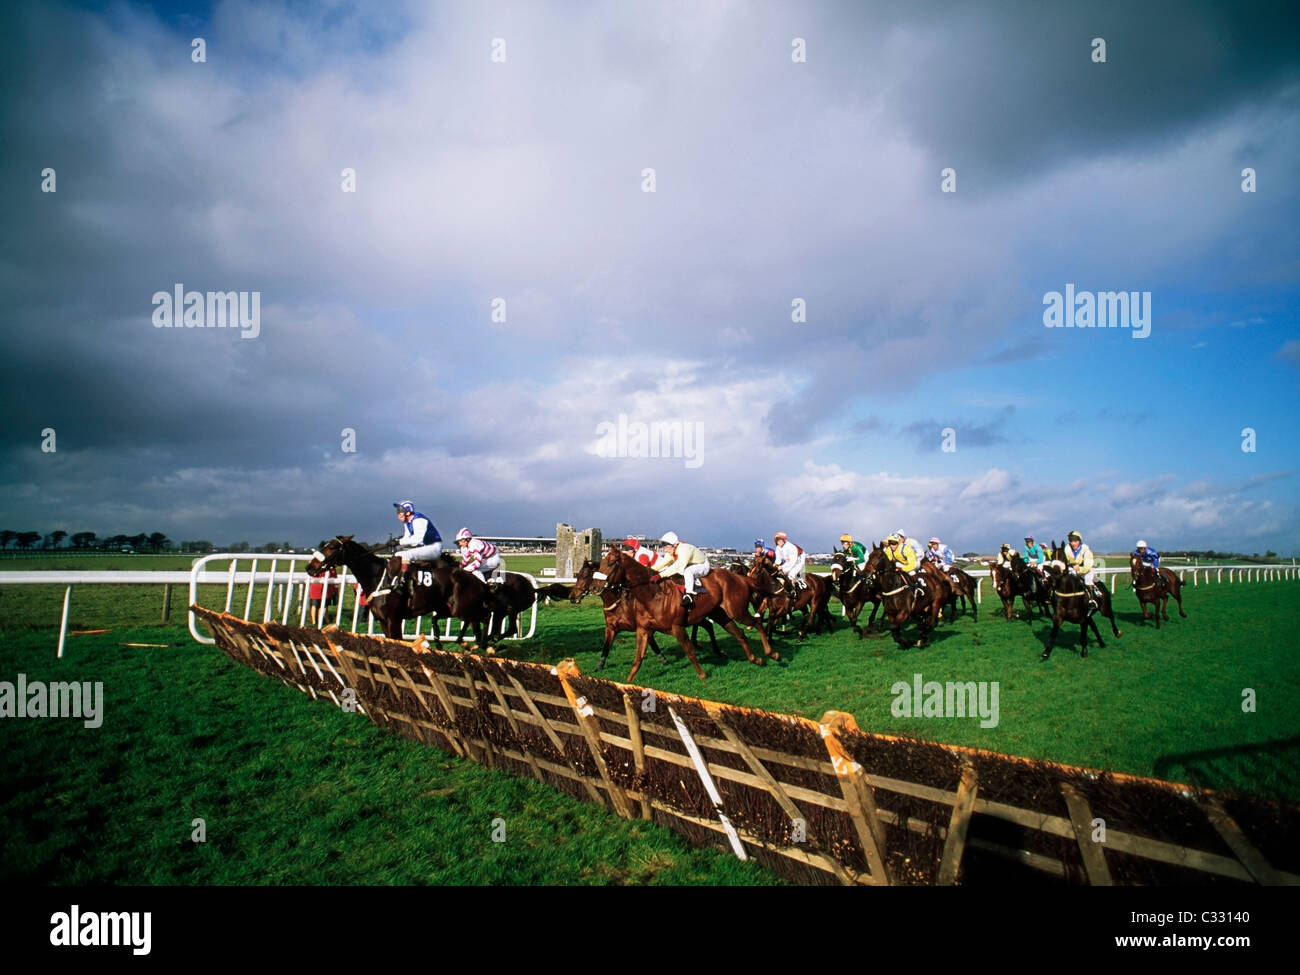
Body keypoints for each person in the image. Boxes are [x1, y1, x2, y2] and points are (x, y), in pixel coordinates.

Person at [392, 500, 442, 600]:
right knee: (398, 554)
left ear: (408, 512)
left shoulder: (419, 520)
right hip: (424, 547)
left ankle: (403, 583)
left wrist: (399, 542)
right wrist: (396, 541)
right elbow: (409, 540)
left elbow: (418, 539)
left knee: (405, 555)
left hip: (433, 547)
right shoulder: (407, 523)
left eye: (400, 512)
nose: (398, 516)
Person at [655, 531, 711, 608]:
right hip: (690, 565)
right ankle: (695, 583)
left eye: (667, 547)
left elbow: (678, 566)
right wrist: (651, 570)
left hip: (702, 565)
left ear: (675, 545)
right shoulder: (671, 551)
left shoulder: (684, 549)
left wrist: (660, 575)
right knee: (677, 571)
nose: (665, 550)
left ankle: (689, 595)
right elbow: (663, 563)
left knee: (687, 571)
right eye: (664, 547)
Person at [884, 532, 925, 598]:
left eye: (894, 543)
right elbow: (887, 560)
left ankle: (918, 587)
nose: (891, 545)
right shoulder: (889, 549)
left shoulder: (906, 549)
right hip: (902, 563)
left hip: (914, 563)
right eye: (890, 543)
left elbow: (912, 565)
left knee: (911, 572)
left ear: (898, 543)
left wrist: (903, 569)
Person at [1064, 530, 1100, 604]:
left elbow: (1088, 566)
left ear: (1079, 541)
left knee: (1088, 579)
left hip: (1086, 569)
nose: (1073, 543)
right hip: (1073, 568)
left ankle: (1092, 599)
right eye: (1071, 541)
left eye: (1075, 541)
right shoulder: (1066, 549)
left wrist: (1079, 568)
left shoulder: (1086, 550)